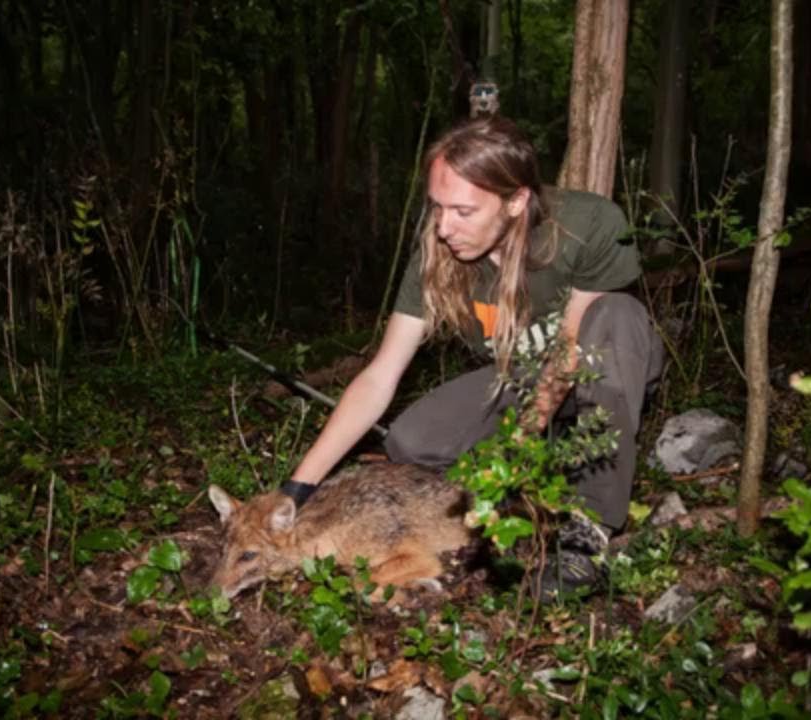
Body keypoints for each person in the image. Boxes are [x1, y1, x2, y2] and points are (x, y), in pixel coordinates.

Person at [279, 115, 665, 599]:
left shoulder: (588, 225)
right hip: (520, 376)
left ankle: (589, 531)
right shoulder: (437, 251)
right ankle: (543, 463)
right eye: (437, 208)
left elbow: (569, 353)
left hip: (600, 363)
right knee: (410, 441)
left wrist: (511, 455)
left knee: (618, 314)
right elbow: (380, 376)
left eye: (462, 211)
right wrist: (297, 489)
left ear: (516, 201)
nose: (444, 227)